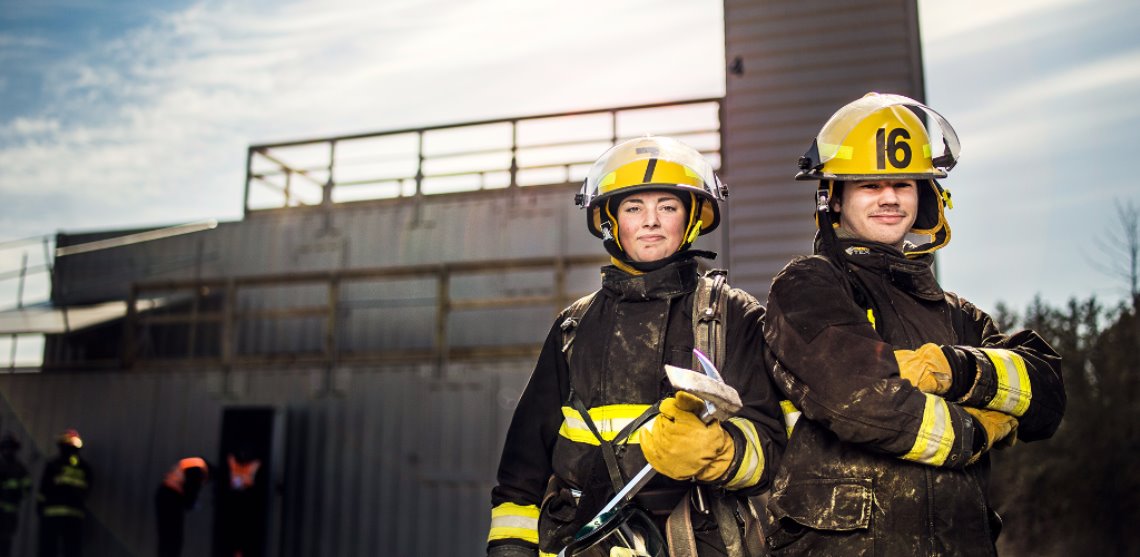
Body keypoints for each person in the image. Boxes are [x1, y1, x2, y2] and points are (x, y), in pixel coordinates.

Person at [761, 92, 1067, 555]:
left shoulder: (956, 314)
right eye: (869, 185)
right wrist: (977, 429)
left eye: (903, 184)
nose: (889, 198)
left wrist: (957, 369)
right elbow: (862, 402)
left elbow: (1047, 397)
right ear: (833, 199)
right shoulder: (808, 287)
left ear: (924, 198)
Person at [487, 136, 785, 556]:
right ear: (610, 222)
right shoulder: (573, 327)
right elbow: (523, 468)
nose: (651, 221)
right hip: (585, 543)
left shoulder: (732, 316)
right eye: (633, 208)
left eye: (668, 206)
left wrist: (722, 453)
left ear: (691, 219)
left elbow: (775, 448)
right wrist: (510, 550)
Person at [37, 429, 92, 557]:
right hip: (74, 516)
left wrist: (40, 507)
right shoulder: (85, 468)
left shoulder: (53, 465)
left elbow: (43, 489)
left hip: (52, 515)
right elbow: (87, 490)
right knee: (71, 550)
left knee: (48, 549)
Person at [155, 457, 209, 557]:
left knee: (165, 537)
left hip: (164, 493)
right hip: (171, 498)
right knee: (173, 539)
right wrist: (190, 502)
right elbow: (191, 491)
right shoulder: (199, 469)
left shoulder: (193, 463)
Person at [0, 434, 31, 557]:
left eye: (10, 448)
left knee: (5, 544)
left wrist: (16, 492)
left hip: (9, 514)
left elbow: (27, 489)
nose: (7, 451)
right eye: (5, 448)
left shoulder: (20, 469)